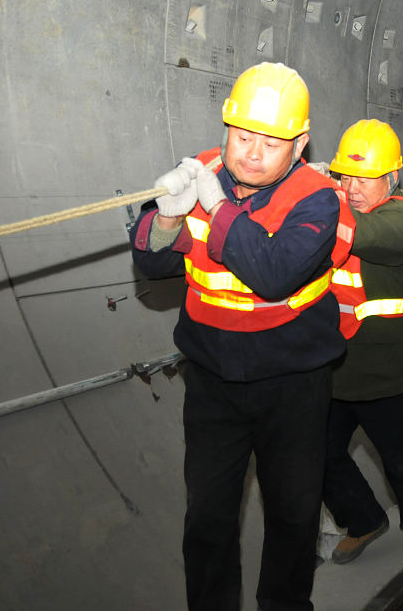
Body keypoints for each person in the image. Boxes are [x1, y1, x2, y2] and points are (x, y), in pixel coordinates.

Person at [131, 62, 353, 611]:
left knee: (293, 514)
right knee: (207, 517)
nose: (250, 153)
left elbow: (274, 271)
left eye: (269, 143)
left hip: (293, 383)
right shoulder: (198, 172)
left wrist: (217, 207)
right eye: (242, 136)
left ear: (299, 145)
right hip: (213, 382)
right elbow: (150, 264)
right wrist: (164, 220)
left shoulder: (318, 199)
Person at [324, 119, 403, 563]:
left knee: (402, 456)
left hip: (387, 369)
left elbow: (360, 233)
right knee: (317, 454)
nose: (352, 187)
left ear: (390, 178)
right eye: (345, 176)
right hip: (333, 367)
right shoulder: (339, 207)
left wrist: (312, 194)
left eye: (364, 178)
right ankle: (363, 519)